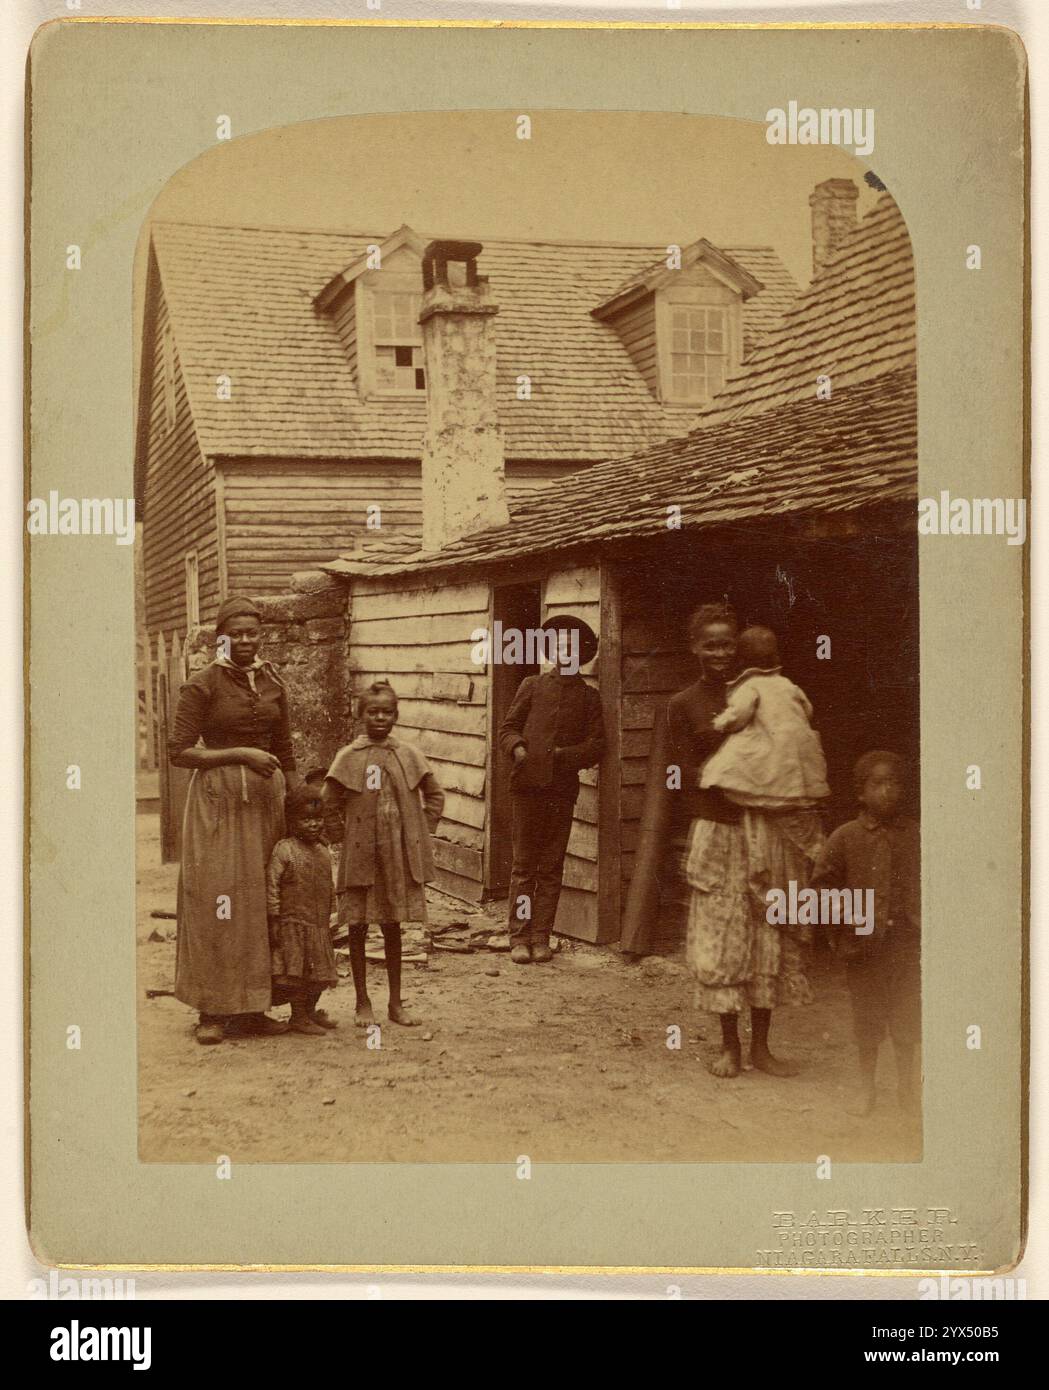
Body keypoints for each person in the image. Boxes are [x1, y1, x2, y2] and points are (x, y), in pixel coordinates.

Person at [668, 603, 820, 1079]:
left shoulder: (770, 692)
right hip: (719, 830)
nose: (720, 652)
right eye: (710, 644)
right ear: (694, 647)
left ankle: (763, 1049)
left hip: (767, 831)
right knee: (723, 938)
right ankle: (729, 1046)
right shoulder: (684, 704)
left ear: (740, 646)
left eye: (727, 643)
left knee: (767, 936)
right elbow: (680, 776)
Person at [168, 595, 296, 1045]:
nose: (245, 640)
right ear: (221, 637)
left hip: (266, 804)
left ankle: (253, 1008)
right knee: (217, 899)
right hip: (217, 805)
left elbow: (286, 749)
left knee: (262, 900)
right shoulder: (201, 685)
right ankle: (212, 1010)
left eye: (252, 632)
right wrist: (239, 754)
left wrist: (296, 799)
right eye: (236, 633)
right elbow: (179, 752)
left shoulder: (272, 681)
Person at [322, 681, 444, 1028]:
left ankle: (395, 1002)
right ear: (360, 714)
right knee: (358, 927)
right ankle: (362, 1002)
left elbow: (434, 796)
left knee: (393, 927)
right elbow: (327, 802)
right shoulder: (348, 757)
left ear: (396, 715)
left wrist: (422, 831)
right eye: (373, 711)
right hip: (361, 855)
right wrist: (340, 837)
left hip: (397, 857)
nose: (380, 718)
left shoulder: (407, 754)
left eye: (387, 712)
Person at [811, 751, 920, 1115]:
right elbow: (822, 890)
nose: (888, 791)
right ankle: (867, 1088)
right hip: (865, 951)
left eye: (895, 783)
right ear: (861, 792)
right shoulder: (846, 838)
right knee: (868, 1021)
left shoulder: (918, 835)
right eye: (878, 783)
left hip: (907, 946)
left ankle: (908, 1088)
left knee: (907, 1019)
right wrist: (841, 934)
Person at [498, 616, 605, 965]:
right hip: (526, 789)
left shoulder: (590, 698)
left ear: (583, 654)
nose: (566, 651)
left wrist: (562, 756)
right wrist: (520, 750)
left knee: (551, 866)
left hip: (560, 791)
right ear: (550, 650)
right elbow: (508, 728)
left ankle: (541, 936)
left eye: (573, 647)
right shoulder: (531, 685)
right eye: (560, 645)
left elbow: (596, 746)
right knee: (524, 865)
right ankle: (519, 937)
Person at [700, 625, 830, 809]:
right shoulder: (787, 684)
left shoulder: (750, 686)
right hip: (794, 743)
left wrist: (723, 723)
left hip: (769, 742)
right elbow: (807, 709)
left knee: (751, 762)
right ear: (775, 657)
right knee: (792, 776)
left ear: (741, 661)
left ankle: (757, 793)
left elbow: (739, 714)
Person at [266, 782, 338, 1037]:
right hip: (293, 925)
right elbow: (272, 885)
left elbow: (329, 884)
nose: (314, 824)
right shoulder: (285, 849)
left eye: (318, 819)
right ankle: (298, 1016)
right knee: (297, 974)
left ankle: (310, 1011)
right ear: (292, 821)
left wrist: (333, 914)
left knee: (319, 973)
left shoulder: (323, 851)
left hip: (318, 925)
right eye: (306, 819)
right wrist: (274, 918)